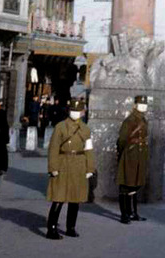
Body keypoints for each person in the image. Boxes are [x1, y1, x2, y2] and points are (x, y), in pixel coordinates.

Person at [45, 97, 95, 240]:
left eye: (78, 110)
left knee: (75, 198)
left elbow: (88, 150)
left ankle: (71, 227)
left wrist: (90, 168)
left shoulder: (85, 129)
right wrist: (53, 167)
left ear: (83, 112)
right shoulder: (60, 127)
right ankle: (51, 229)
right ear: (69, 111)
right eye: (73, 110)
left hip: (79, 164)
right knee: (59, 197)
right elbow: (53, 148)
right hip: (63, 163)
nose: (75, 113)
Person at [117, 95, 149, 225]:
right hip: (130, 155)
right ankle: (124, 214)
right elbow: (122, 139)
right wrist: (123, 154)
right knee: (126, 185)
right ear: (135, 105)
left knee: (136, 184)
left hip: (140, 156)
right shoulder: (129, 120)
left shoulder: (143, 119)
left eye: (145, 104)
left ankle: (133, 212)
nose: (143, 106)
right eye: (141, 104)